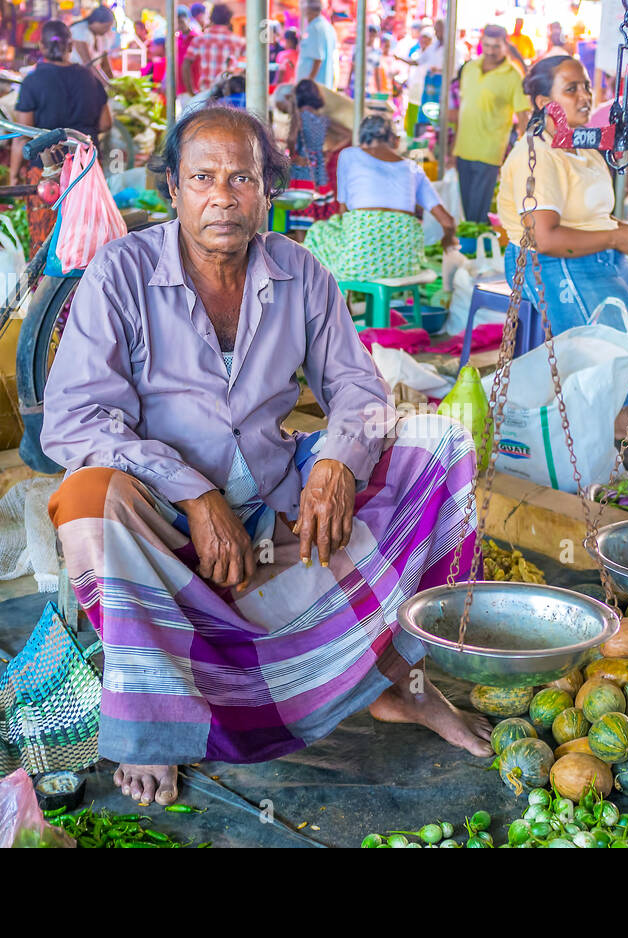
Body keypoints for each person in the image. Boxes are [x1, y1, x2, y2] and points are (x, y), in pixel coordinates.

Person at [41, 106, 491, 802]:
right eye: (202, 178)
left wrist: (338, 463)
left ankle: (403, 681)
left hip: (280, 497)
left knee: (441, 443)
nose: (223, 196)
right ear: (173, 187)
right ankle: (155, 728)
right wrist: (193, 493)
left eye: (242, 178)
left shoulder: (299, 271)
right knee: (86, 499)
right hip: (165, 516)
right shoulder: (121, 272)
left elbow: (357, 386)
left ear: (267, 191)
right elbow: (74, 420)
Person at [497, 55, 628, 403]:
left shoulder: (585, 146)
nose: (584, 97)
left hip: (597, 257)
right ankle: (618, 420)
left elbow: (592, 216)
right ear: (544, 103)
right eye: (571, 89)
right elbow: (545, 238)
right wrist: (616, 237)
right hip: (548, 264)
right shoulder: (536, 154)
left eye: (587, 87)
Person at [304, 114, 456, 280]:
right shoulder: (413, 168)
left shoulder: (349, 155)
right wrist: (447, 242)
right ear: (394, 140)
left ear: (362, 140)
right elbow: (447, 222)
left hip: (358, 263)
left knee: (317, 232)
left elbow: (343, 211)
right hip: (406, 265)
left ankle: (339, 299)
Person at [8, 21, 112, 251]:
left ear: (40, 46)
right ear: (70, 46)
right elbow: (106, 123)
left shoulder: (33, 82)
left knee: (47, 240)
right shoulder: (89, 78)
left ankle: (47, 286)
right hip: (85, 168)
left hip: (47, 174)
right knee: (85, 237)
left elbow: (23, 136)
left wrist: (13, 174)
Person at [450, 25, 531, 224]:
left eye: (495, 46)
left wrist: (525, 150)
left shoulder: (513, 75)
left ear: (506, 45)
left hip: (489, 152)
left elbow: (522, 116)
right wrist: (453, 148)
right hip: (463, 149)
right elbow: (464, 109)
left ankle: (476, 248)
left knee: (477, 212)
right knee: (467, 211)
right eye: (486, 45)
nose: (490, 51)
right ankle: (471, 249)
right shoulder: (469, 68)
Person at [183, 1, 244, 97]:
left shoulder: (200, 39)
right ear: (229, 19)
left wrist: (191, 91)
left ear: (211, 18)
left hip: (206, 94)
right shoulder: (238, 41)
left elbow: (186, 64)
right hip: (229, 94)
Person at [287, 78, 328, 190]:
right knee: (316, 197)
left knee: (300, 201)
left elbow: (291, 138)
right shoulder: (323, 119)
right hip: (319, 166)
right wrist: (329, 152)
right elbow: (347, 134)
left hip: (302, 165)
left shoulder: (299, 116)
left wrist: (292, 155)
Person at [70, 4, 119, 80]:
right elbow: (87, 63)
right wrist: (106, 85)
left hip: (88, 77)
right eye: (105, 27)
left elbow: (105, 63)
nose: (106, 30)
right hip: (75, 77)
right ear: (95, 22)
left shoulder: (101, 35)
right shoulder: (80, 31)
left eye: (109, 27)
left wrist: (112, 81)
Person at [295, 0, 336, 87]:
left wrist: (308, 84)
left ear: (307, 9)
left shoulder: (314, 28)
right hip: (323, 86)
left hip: (313, 88)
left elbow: (317, 59)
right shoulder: (328, 27)